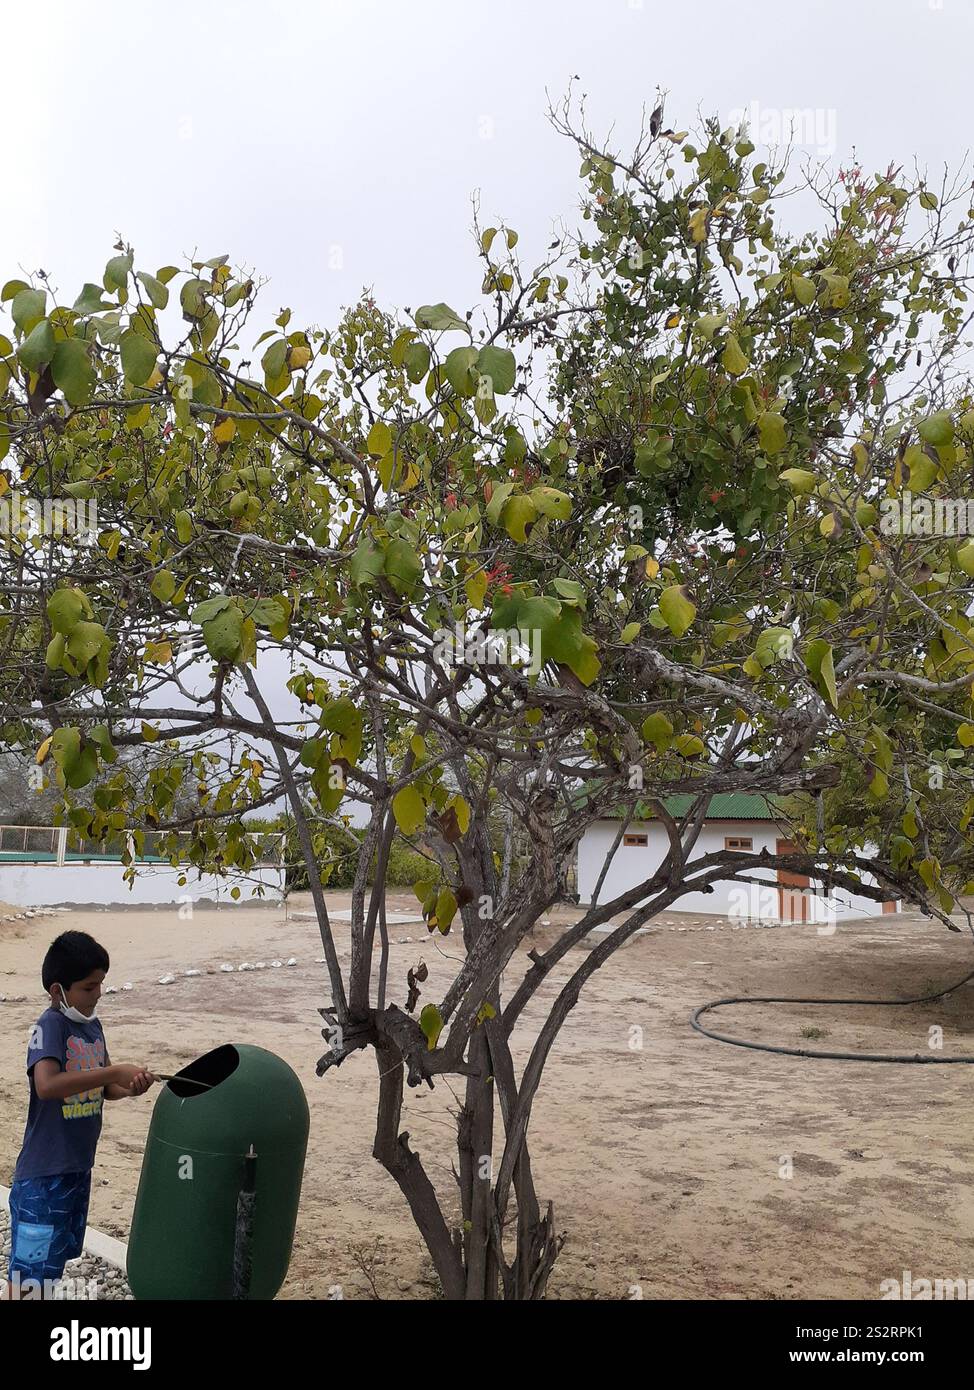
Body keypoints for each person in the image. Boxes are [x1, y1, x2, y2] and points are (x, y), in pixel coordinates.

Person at [4, 930, 156, 1300]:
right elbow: (47, 1084)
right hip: (44, 1176)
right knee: (28, 1280)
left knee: (51, 1268)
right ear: (59, 991)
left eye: (101, 984)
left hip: (76, 1169)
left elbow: (107, 1090)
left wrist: (130, 1085)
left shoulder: (93, 1027)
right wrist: (113, 1070)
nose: (98, 994)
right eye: (89, 988)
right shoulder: (49, 1026)